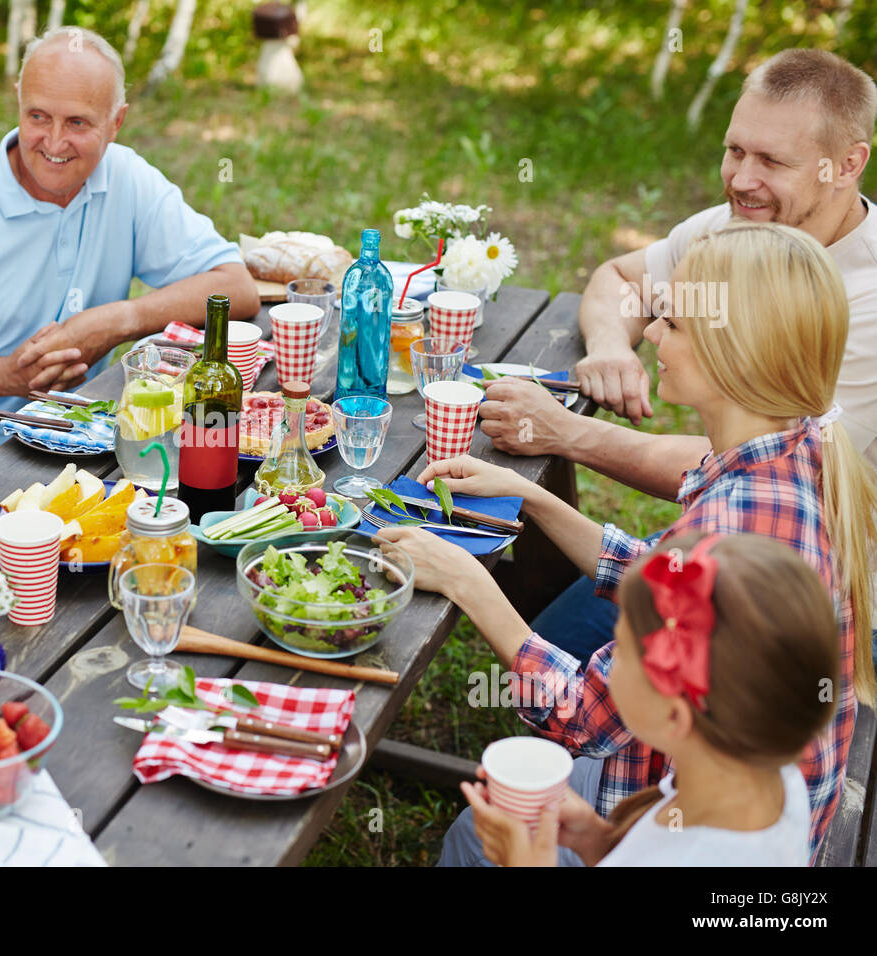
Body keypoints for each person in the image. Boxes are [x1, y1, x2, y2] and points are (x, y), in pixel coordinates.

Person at [374, 222, 877, 862]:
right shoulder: (787, 447)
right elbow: (669, 578)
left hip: (708, 826)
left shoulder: (736, 522)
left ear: (735, 354)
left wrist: (471, 583)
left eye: (672, 324)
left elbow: (583, 715)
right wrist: (529, 495)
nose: (655, 336)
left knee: (474, 838)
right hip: (727, 800)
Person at [478, 48, 877, 660]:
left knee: (572, 669)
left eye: (772, 160)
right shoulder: (738, 226)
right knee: (555, 635)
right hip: (725, 527)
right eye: (735, 150)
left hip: (826, 587)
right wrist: (612, 345)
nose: (742, 179)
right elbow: (622, 276)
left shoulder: (867, 299)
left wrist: (566, 432)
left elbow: (771, 474)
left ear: (847, 165)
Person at [0, 26, 259, 512]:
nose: (54, 142)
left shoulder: (127, 178)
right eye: (38, 116)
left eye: (78, 122)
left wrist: (116, 321)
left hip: (76, 437)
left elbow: (236, 288)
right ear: (18, 101)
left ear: (116, 122)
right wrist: (8, 377)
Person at [462, 533, 836, 867]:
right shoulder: (769, 777)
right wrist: (596, 839)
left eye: (621, 648)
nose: (603, 656)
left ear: (674, 717)